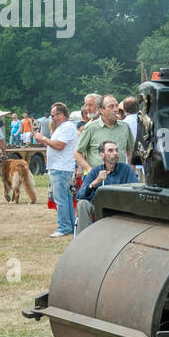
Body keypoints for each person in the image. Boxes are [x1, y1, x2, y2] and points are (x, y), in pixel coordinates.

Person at [35, 102, 78, 237]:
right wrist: (43, 140)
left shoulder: (67, 127)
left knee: (60, 199)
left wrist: (44, 138)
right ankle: (70, 225)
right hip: (60, 167)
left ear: (61, 114)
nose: (52, 118)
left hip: (61, 167)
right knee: (65, 198)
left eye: (53, 115)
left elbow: (59, 145)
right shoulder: (62, 127)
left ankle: (64, 227)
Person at [75, 140, 138, 232]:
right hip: (99, 210)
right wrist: (96, 182)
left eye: (116, 150)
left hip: (120, 210)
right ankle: (86, 240)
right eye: (110, 151)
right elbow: (80, 195)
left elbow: (136, 188)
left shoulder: (125, 169)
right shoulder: (95, 171)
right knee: (82, 204)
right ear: (102, 155)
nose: (115, 153)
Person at [75, 95, 134, 173]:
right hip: (98, 178)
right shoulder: (91, 127)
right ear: (102, 110)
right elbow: (77, 152)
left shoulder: (125, 127)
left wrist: (130, 170)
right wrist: (88, 168)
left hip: (120, 179)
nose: (116, 109)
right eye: (111, 106)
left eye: (116, 106)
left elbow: (131, 151)